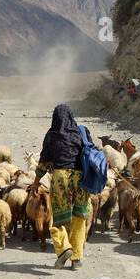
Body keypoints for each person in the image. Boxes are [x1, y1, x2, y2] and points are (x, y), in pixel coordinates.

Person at [35, 103, 90, 269]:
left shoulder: (52, 135)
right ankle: (77, 258)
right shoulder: (82, 132)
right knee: (79, 217)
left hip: (60, 178)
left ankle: (64, 247)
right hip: (81, 178)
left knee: (58, 216)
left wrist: (37, 180)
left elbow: (44, 161)